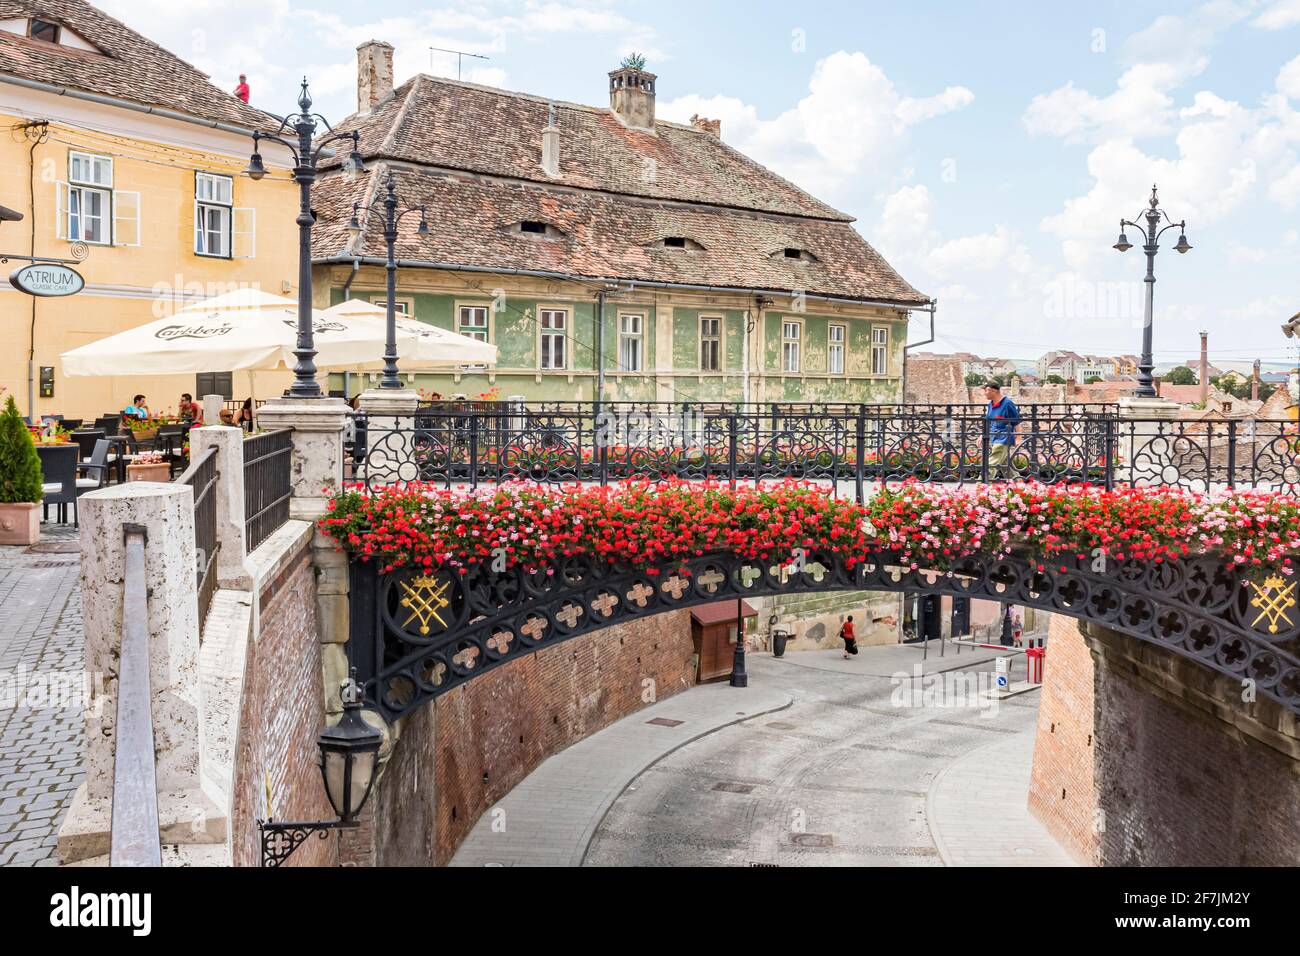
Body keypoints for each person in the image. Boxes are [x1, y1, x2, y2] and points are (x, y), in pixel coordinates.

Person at [983, 383, 1021, 478]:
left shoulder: (1008, 404)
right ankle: (1019, 484)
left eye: (986, 390)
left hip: (1004, 438)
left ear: (994, 391)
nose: (985, 393)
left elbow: (1017, 422)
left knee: (991, 464)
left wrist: (1019, 438)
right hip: (994, 437)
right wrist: (982, 435)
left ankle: (980, 486)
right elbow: (988, 421)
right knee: (1006, 466)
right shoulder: (990, 405)